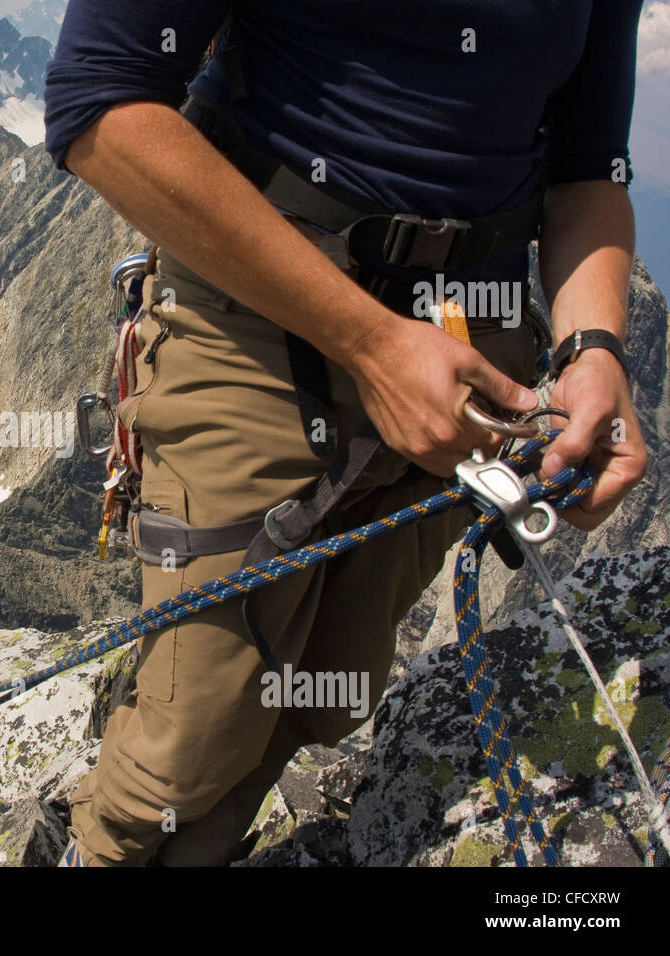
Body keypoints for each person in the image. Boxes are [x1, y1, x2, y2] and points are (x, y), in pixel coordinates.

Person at [44, 1, 647, 866]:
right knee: (192, 740)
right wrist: (370, 344)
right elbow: (98, 106)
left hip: (468, 353)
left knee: (328, 688)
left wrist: (593, 351)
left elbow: (587, 165)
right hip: (256, 322)